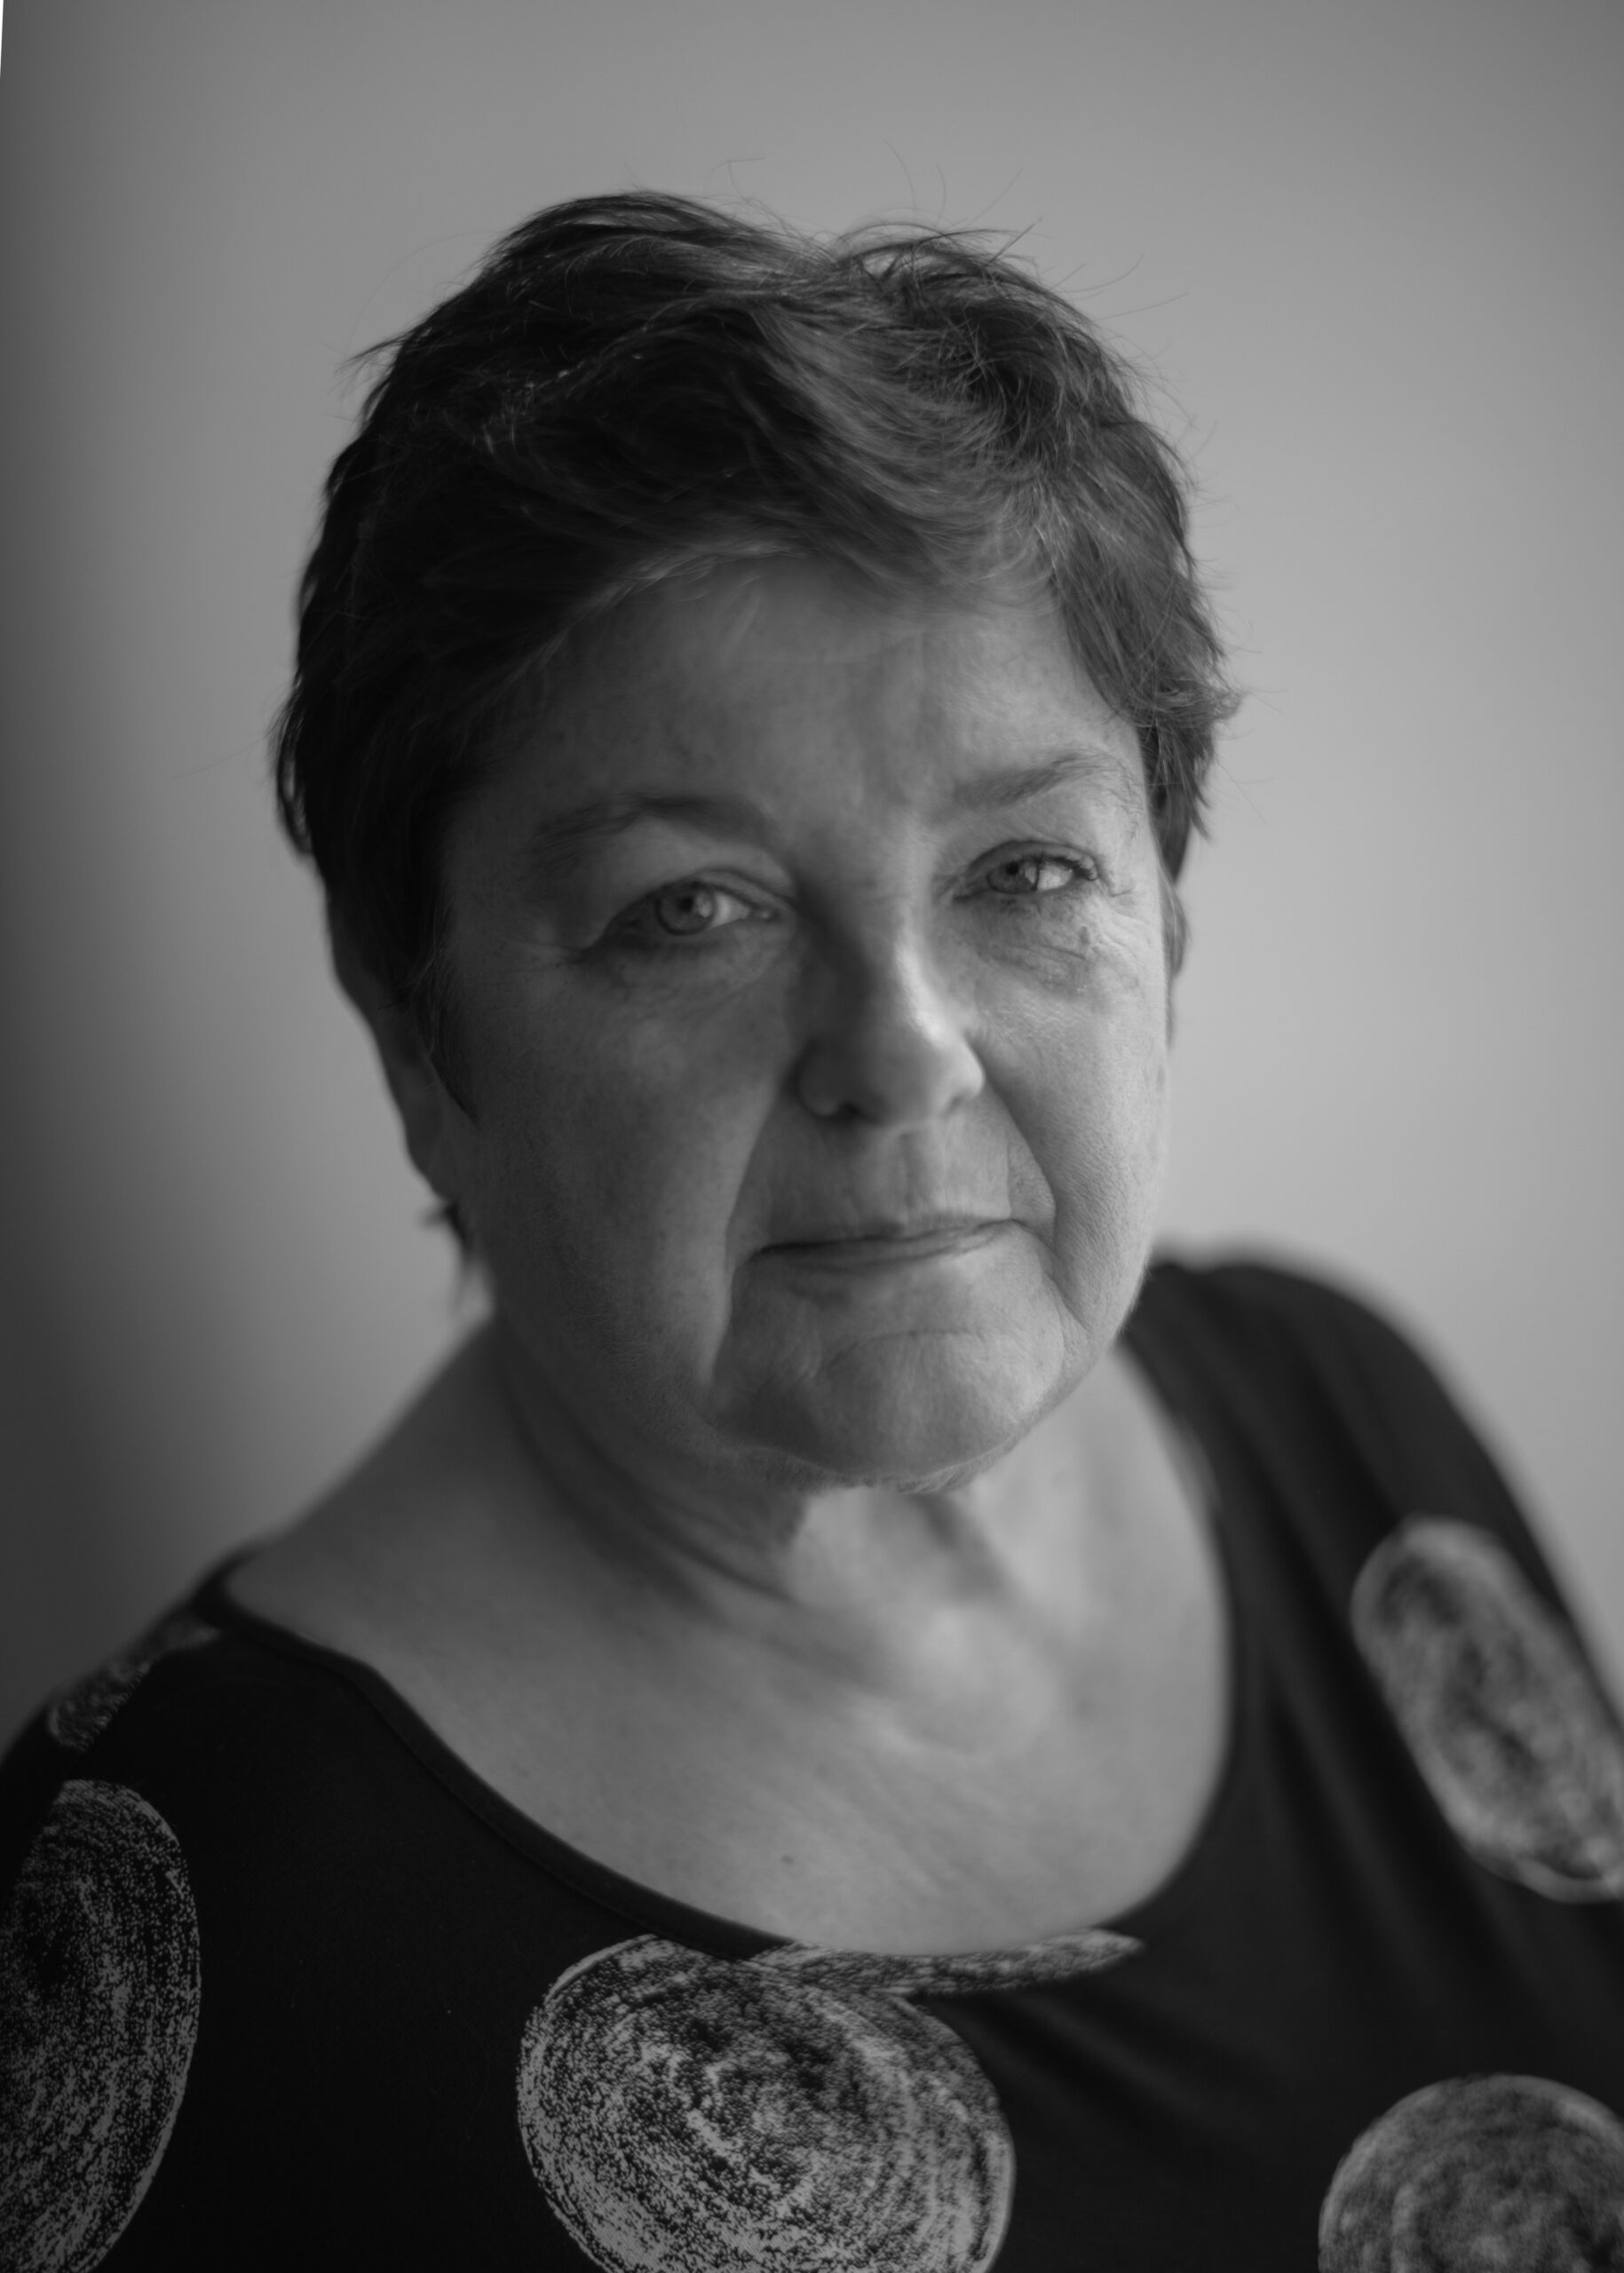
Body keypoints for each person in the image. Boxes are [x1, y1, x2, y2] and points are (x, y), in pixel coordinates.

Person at [4, 193, 1623, 2273]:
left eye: (1027, 870)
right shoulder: (194, 1918)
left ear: (1170, 926)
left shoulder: (1347, 1425)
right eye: (694, 907)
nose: (905, 1052)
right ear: (420, 1034)